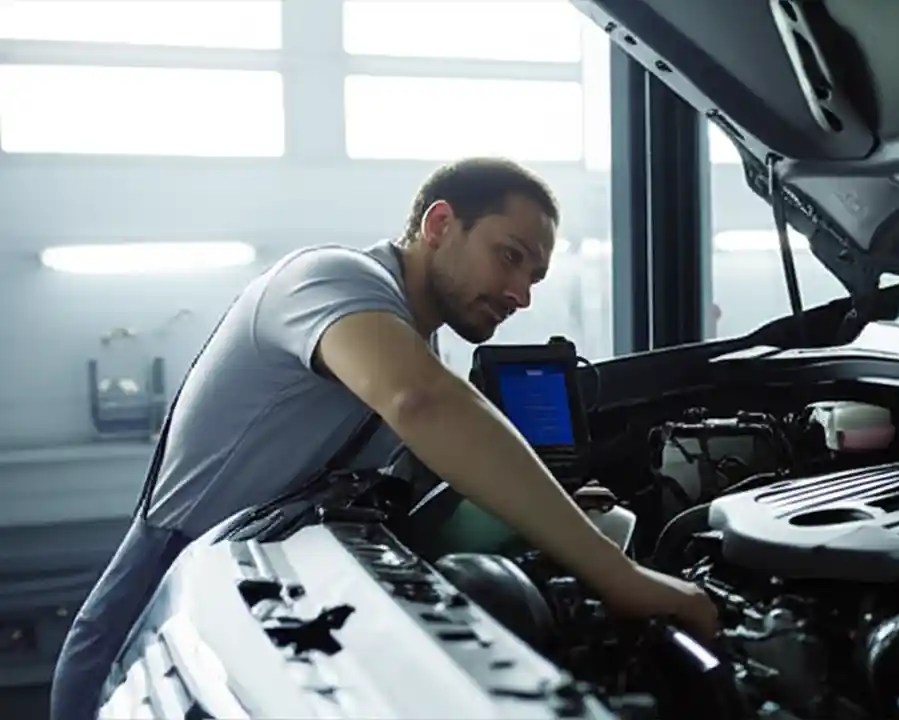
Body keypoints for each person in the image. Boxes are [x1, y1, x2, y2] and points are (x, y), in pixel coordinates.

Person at [50, 157, 719, 720]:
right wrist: (619, 577)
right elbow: (420, 402)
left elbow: (432, 485)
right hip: (158, 617)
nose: (520, 293)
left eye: (535, 278)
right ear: (439, 224)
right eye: (509, 257)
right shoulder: (328, 281)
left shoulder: (415, 343)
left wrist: (567, 512)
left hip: (269, 604)